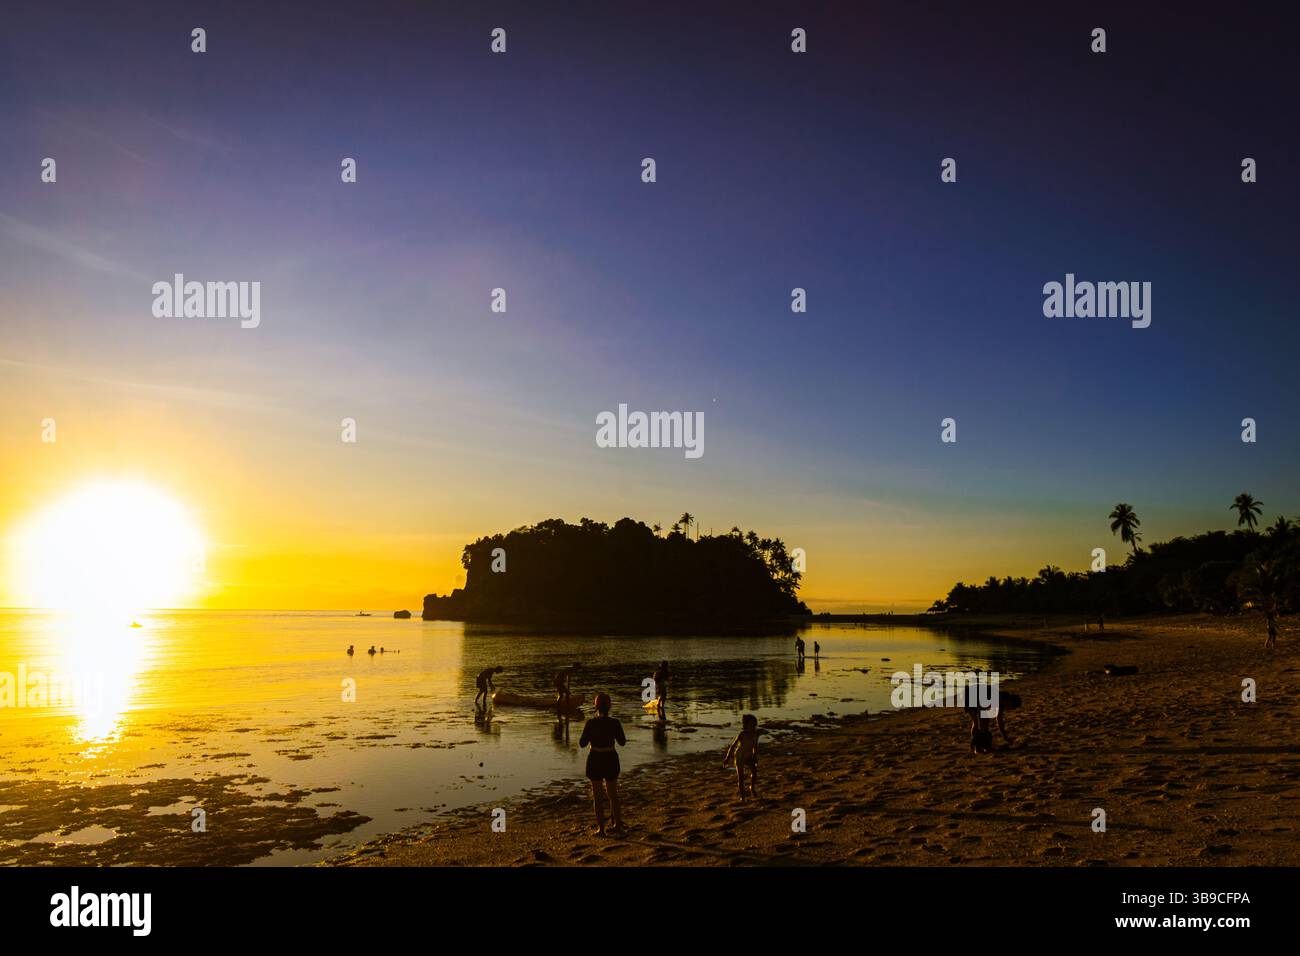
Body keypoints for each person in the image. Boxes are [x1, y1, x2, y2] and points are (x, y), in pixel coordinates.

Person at [579, 692, 627, 835]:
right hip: (610, 757)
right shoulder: (615, 723)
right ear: (610, 707)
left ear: (596, 707)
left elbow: (582, 744)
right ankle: (617, 825)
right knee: (613, 795)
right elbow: (622, 742)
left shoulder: (591, 723)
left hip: (595, 759)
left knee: (597, 797)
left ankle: (601, 829)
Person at [723, 714, 761, 800]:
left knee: (754, 772)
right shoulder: (742, 734)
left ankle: (752, 787)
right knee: (741, 777)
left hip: (749, 756)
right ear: (746, 725)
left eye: (754, 724)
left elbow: (755, 747)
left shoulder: (756, 734)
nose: (753, 727)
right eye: (751, 725)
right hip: (740, 757)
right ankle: (742, 796)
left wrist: (755, 757)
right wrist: (727, 758)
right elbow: (733, 746)